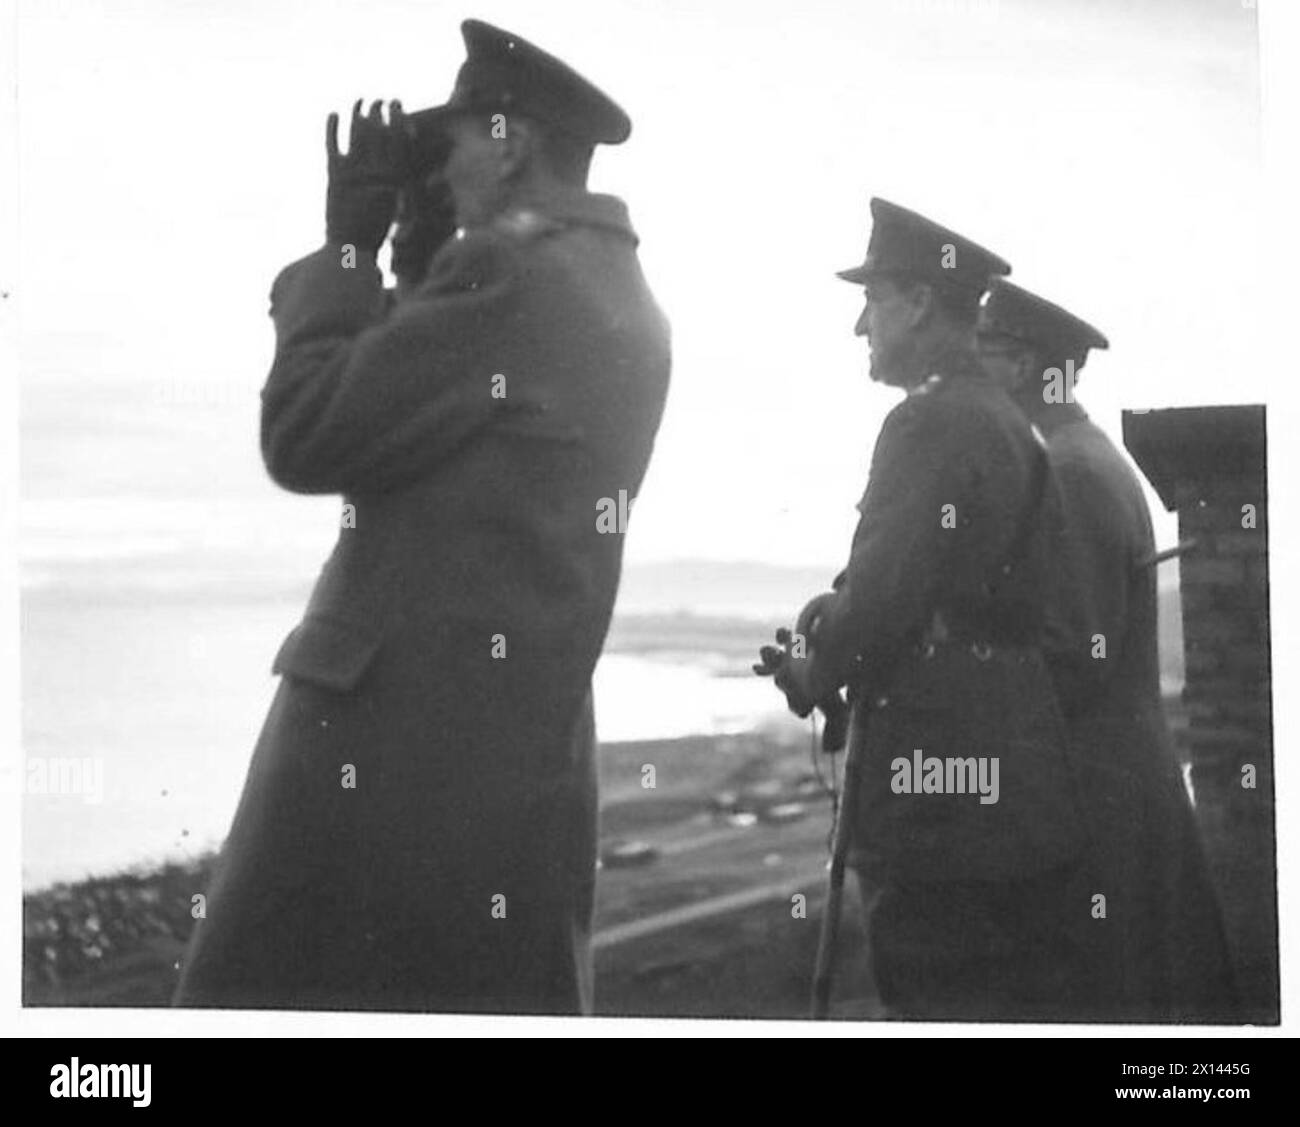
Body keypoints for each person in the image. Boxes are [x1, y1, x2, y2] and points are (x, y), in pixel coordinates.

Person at [173, 19, 671, 1013]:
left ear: (508, 139)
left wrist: (350, 251)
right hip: (505, 750)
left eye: (447, 147)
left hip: (391, 749)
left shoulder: (512, 274)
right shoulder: (615, 291)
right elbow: (444, 426)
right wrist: (421, 255)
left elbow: (309, 433)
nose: (435, 173)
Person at [762, 199, 1090, 1021]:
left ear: (915, 301)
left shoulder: (928, 421)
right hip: (1015, 791)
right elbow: (954, 591)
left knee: (937, 998)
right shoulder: (1010, 423)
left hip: (939, 812)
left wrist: (816, 663)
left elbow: (877, 614)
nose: (859, 326)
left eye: (872, 300)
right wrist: (839, 614)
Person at [976, 278, 1237, 1020]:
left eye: (982, 351)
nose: (969, 367)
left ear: (1024, 365)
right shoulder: (1077, 457)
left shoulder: (1069, 470)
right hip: (1112, 785)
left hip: (1098, 795)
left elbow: (1073, 657)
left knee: (1121, 1005)